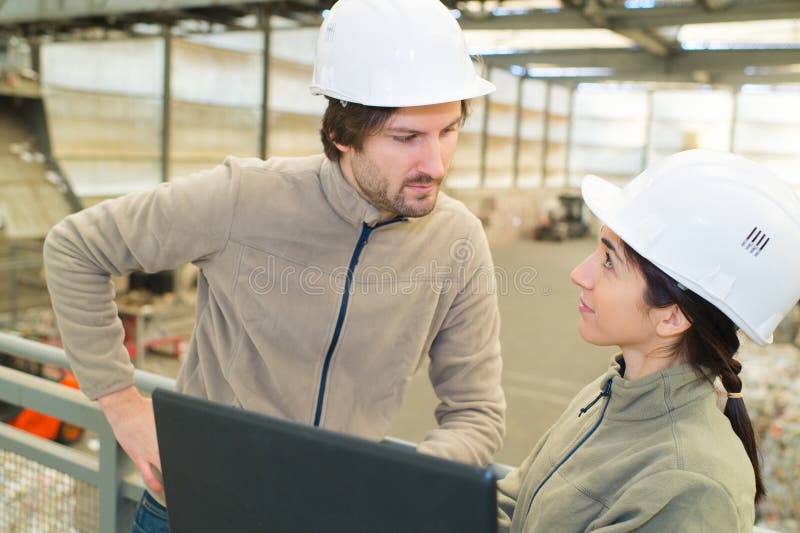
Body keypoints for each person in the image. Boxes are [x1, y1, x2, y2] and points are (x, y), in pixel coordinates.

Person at [42, 1, 505, 531]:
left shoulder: (458, 241)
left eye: (448, 131)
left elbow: (475, 413)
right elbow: (75, 248)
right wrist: (121, 403)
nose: (436, 164)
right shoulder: (244, 198)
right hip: (197, 509)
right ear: (340, 133)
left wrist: (398, 485)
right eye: (407, 137)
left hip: (330, 519)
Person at [497, 149, 800, 532]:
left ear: (673, 316)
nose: (579, 274)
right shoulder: (610, 391)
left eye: (609, 262)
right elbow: (516, 500)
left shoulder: (689, 487)